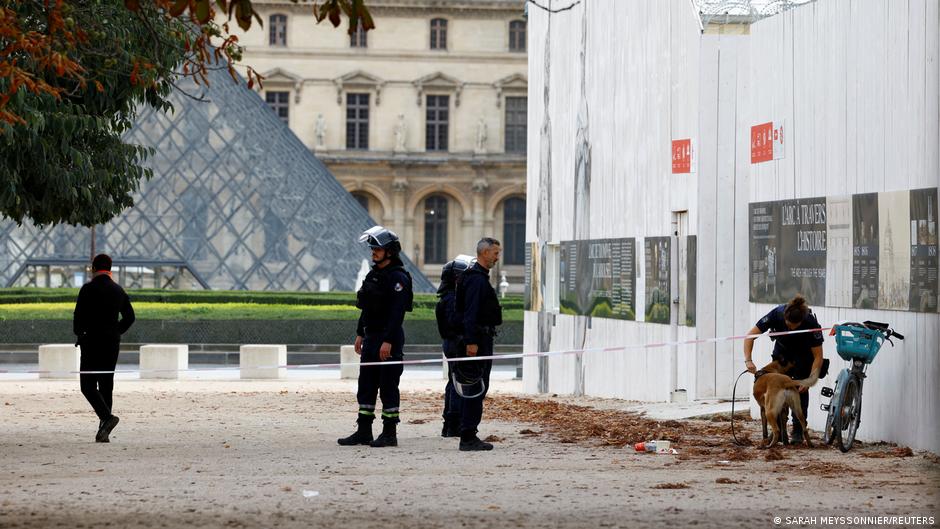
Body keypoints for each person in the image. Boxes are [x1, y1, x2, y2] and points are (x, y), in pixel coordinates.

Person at [338, 226, 413, 448]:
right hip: (371, 336)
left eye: (377, 248)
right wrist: (360, 333)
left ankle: (389, 433)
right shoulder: (374, 274)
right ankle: (364, 431)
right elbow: (367, 308)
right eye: (372, 248)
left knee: (388, 386)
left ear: (389, 251)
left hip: (387, 337)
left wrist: (388, 340)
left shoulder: (398, 277)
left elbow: (397, 312)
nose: (373, 252)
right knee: (367, 385)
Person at [743, 294, 824, 443]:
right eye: (787, 324)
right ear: (784, 316)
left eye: (794, 326)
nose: (790, 328)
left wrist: (810, 379)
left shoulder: (811, 322)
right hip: (781, 357)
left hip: (803, 357)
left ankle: (798, 430)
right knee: (776, 391)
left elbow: (818, 356)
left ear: (802, 321)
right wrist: (748, 360)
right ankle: (779, 430)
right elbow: (750, 336)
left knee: (799, 392)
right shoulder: (776, 313)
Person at [73, 254, 135, 443]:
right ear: (110, 269)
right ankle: (104, 431)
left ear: (93, 268)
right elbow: (130, 317)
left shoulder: (87, 289)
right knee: (106, 385)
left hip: (91, 343)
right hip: (111, 344)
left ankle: (107, 419)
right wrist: (116, 331)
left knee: (87, 385)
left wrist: (81, 333)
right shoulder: (118, 290)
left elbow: (78, 317)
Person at [453, 238, 503, 451]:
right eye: (495, 253)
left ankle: (468, 432)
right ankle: (468, 435)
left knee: (476, 386)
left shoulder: (477, 277)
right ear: (483, 253)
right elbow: (470, 313)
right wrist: (472, 342)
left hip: (480, 338)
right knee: (476, 387)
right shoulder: (476, 280)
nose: (497, 257)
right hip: (478, 341)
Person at [435, 255, 473, 437]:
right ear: (456, 278)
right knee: (458, 384)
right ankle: (453, 423)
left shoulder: (449, 297)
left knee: (454, 381)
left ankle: (450, 423)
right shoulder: (451, 299)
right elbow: (455, 323)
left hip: (452, 343)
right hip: (456, 343)